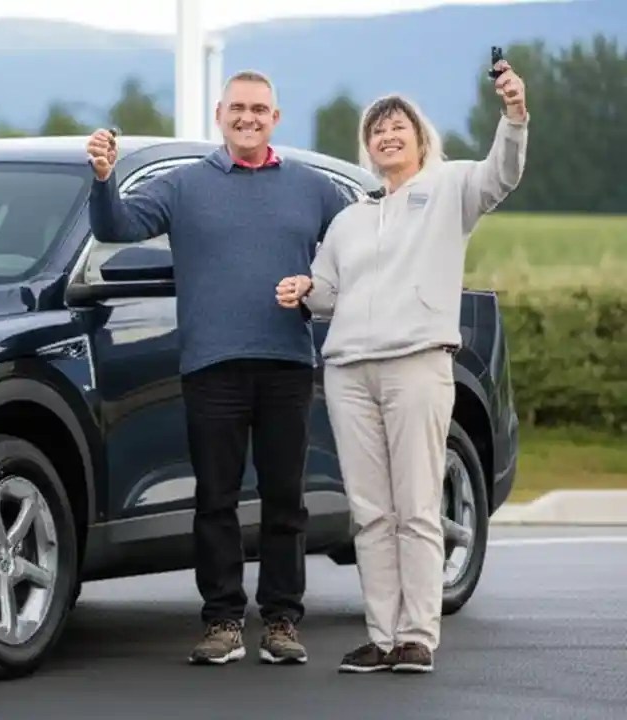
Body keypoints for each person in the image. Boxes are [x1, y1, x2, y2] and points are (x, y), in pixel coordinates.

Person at [85, 70, 352, 666]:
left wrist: (319, 283)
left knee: (286, 499)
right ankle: (224, 622)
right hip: (211, 367)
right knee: (215, 500)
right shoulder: (184, 186)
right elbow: (115, 227)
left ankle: (282, 621)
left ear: (275, 119)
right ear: (220, 114)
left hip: (286, 363)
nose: (248, 117)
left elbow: (360, 248)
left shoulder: (312, 188)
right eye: (238, 108)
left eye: (260, 109)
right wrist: (104, 179)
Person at [275, 58, 528, 674]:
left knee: (415, 506)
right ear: (367, 146)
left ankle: (418, 635)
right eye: (377, 130)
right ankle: (382, 635)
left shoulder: (451, 188)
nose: (387, 136)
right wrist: (303, 288)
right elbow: (329, 292)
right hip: (349, 373)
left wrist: (514, 115)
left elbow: (503, 174)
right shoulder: (349, 220)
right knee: (370, 510)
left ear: (420, 139)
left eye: (399, 128)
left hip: (416, 364)